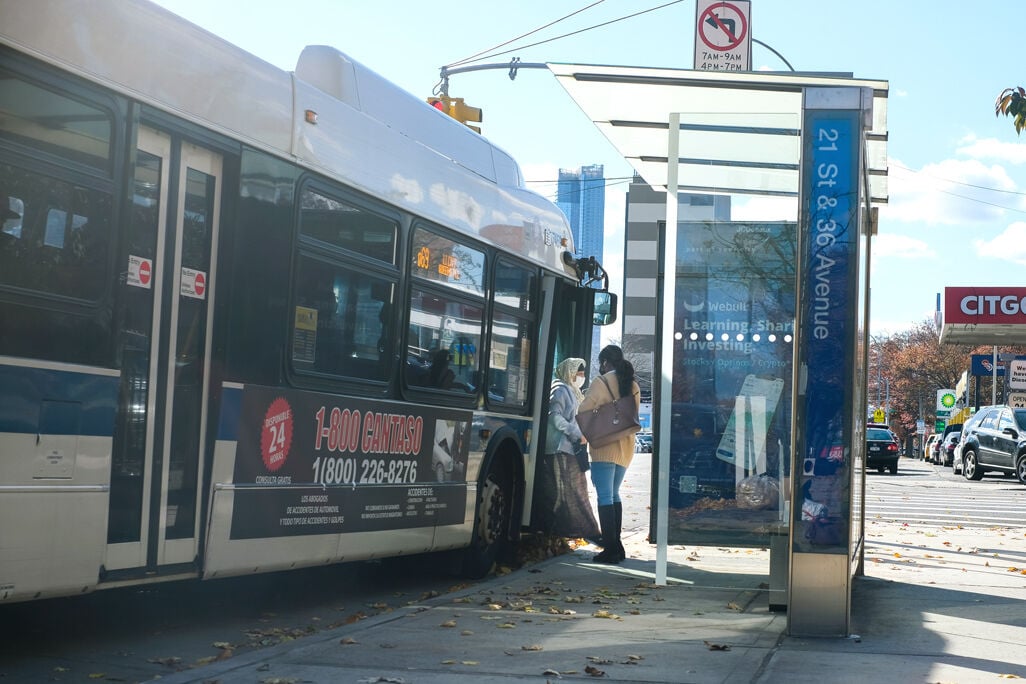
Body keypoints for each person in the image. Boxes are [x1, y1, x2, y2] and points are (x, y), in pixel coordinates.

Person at [578, 344, 641, 564]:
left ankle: (611, 549)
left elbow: (583, 411)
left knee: (604, 495)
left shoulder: (601, 382)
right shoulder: (633, 384)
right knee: (613, 494)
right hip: (625, 446)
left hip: (605, 445)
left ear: (605, 362)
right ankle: (618, 546)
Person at [540, 358, 600, 540]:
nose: (581, 377)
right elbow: (554, 417)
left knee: (577, 488)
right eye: (579, 373)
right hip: (560, 447)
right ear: (570, 373)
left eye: (582, 374)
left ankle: (581, 530)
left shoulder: (572, 391)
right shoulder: (559, 390)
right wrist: (575, 432)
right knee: (568, 489)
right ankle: (582, 530)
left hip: (570, 448)